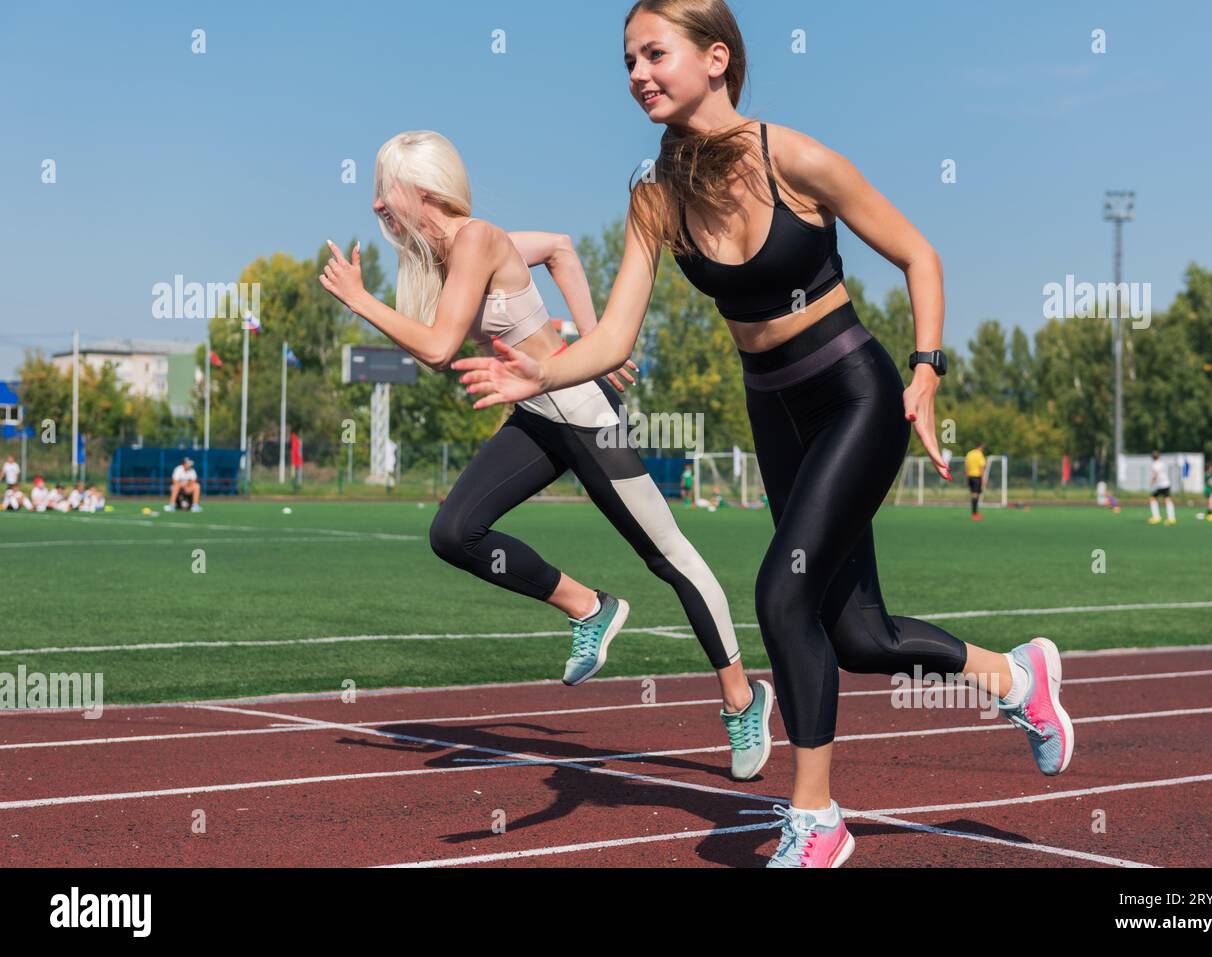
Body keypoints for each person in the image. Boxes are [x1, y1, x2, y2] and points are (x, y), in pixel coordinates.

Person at [452, 0, 1074, 867]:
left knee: (782, 596)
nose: (636, 73)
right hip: (774, 411)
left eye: (653, 53)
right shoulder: (654, 197)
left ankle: (816, 818)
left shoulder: (796, 158)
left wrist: (927, 367)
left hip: (855, 396)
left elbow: (919, 254)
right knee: (857, 634)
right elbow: (614, 336)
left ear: (716, 59)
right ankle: (1017, 678)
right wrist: (544, 369)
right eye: (627, 59)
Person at [316, 130, 775, 781]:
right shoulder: (450, 255)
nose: (375, 207)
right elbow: (559, 247)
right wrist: (596, 339)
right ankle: (589, 606)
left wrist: (598, 349)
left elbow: (442, 346)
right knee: (454, 531)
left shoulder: (475, 238)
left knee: (667, 554)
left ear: (422, 192)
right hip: (536, 418)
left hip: (588, 418)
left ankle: (741, 696)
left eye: (383, 190)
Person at [1148, 451, 1175, 526]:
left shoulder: (1155, 464)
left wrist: (1152, 481)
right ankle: (1171, 518)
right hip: (1166, 483)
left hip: (1161, 485)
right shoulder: (1162, 463)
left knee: (1153, 498)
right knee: (1167, 500)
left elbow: (1155, 474)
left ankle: (1156, 517)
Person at [965, 442, 986, 521]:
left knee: (973, 495)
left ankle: (974, 513)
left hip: (970, 476)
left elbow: (966, 466)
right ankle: (974, 514)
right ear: (980, 447)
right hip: (977, 477)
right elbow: (981, 468)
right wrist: (983, 479)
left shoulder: (969, 454)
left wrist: (967, 477)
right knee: (976, 495)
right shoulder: (979, 454)